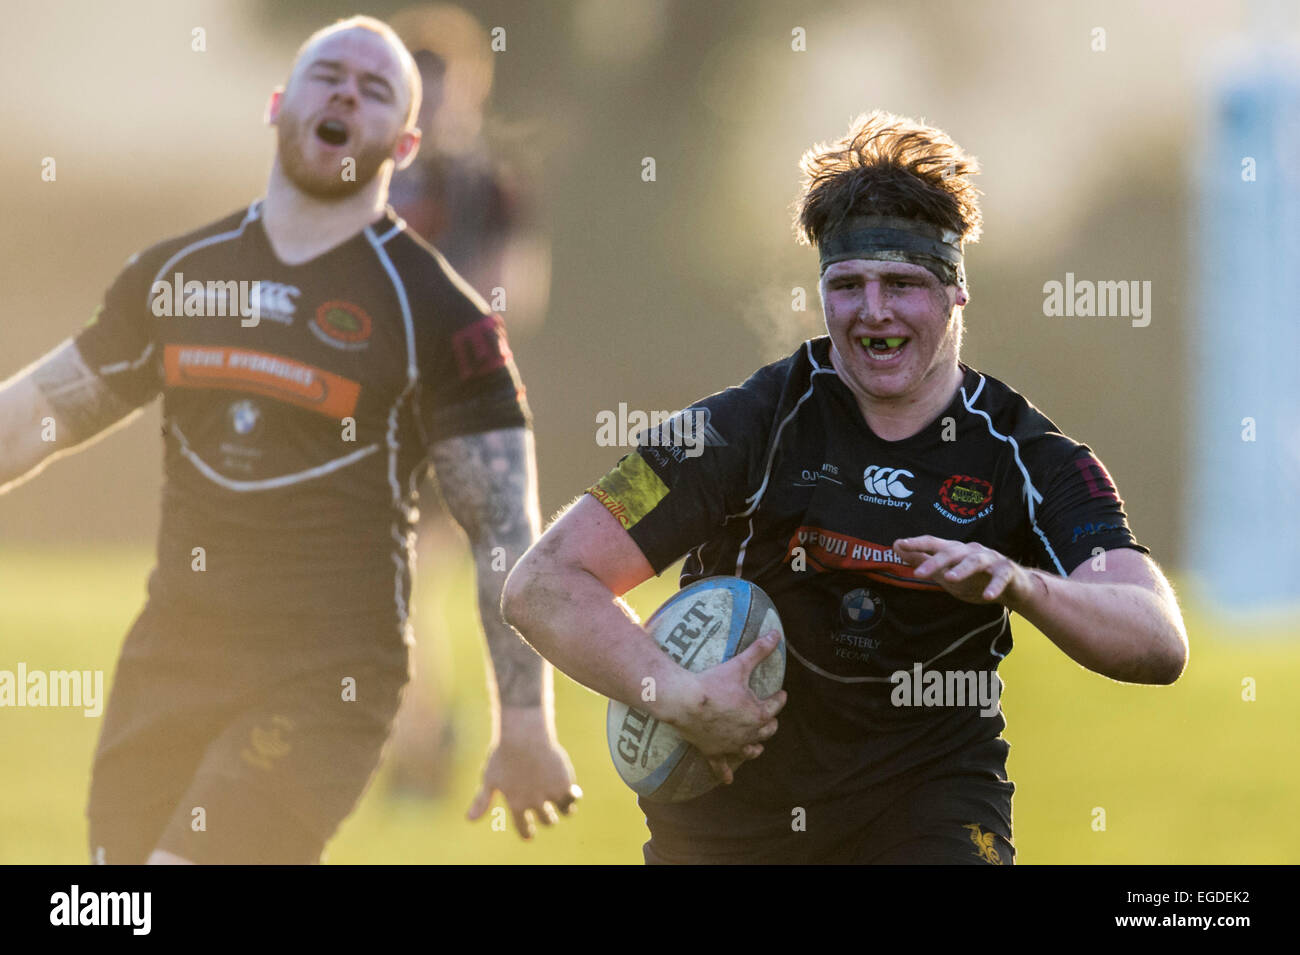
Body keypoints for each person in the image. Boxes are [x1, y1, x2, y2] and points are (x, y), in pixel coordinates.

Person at [502, 110, 1188, 865]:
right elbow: (542, 582)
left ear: (958, 290)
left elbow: (1157, 639)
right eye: (848, 285)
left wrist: (1022, 585)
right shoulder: (744, 427)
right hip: (734, 808)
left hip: (929, 799)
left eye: (904, 283)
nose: (874, 312)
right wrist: (678, 694)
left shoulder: (1027, 457)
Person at [0, 15, 579, 864]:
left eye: (376, 88)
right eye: (328, 74)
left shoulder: (442, 319)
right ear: (279, 105)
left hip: (325, 680)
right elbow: (43, 405)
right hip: (170, 659)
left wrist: (524, 720)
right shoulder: (179, 275)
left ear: (406, 144)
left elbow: (504, 530)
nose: (347, 90)